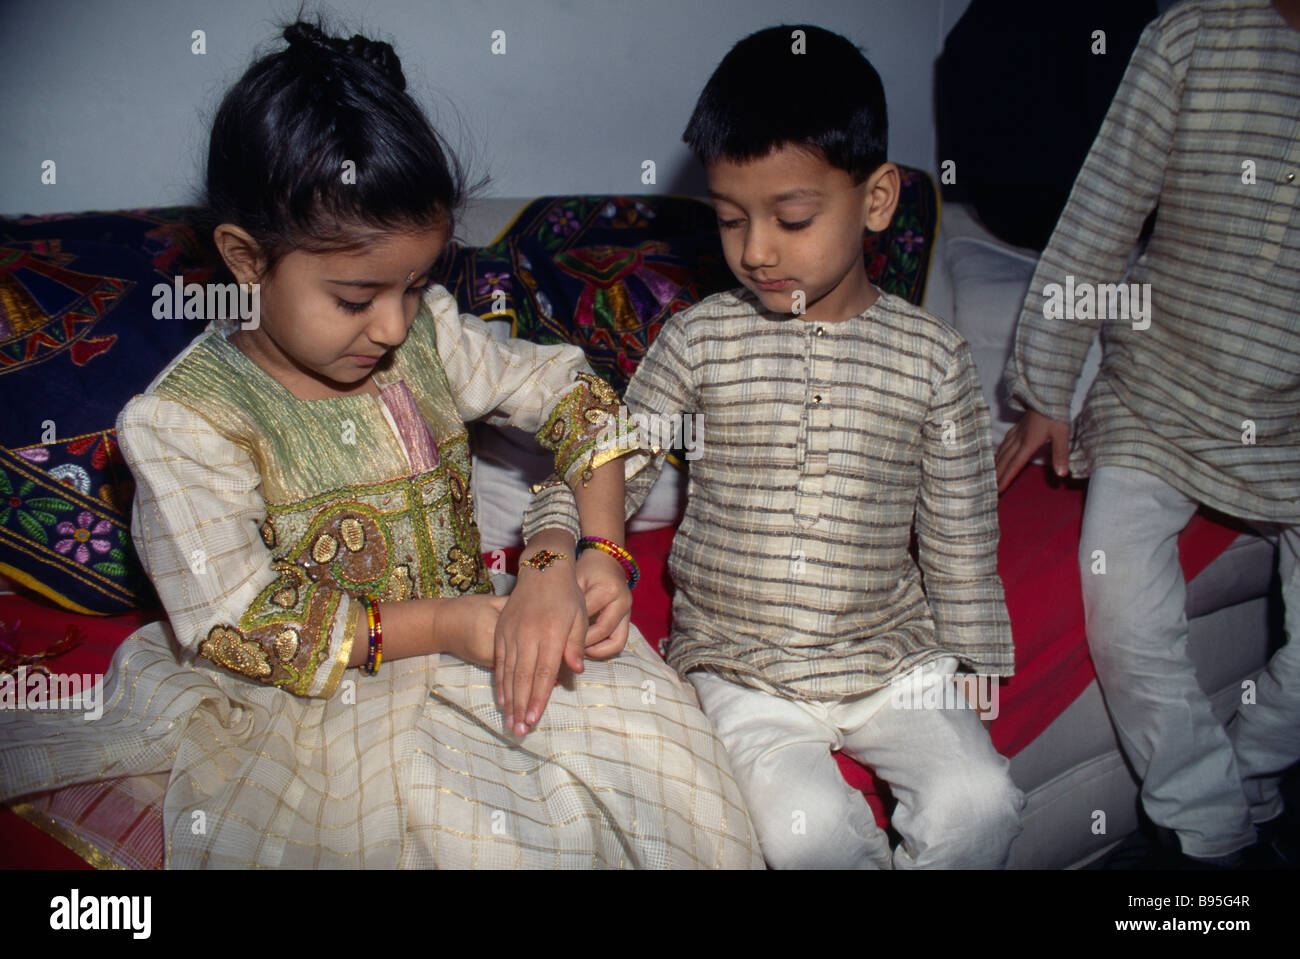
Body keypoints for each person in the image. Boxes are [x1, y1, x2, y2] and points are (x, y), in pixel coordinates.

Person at [0, 20, 762, 869]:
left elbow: (575, 397)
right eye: (358, 296)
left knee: (680, 774)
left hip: (488, 620)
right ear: (247, 260)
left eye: (415, 282)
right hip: (323, 698)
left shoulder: (426, 337)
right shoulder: (187, 423)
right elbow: (244, 622)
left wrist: (593, 548)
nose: (394, 324)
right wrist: (445, 622)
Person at [545, 25, 1025, 869]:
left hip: (889, 652)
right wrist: (563, 545)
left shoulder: (933, 357)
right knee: (797, 829)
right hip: (740, 661)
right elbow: (611, 456)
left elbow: (959, 534)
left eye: (790, 217)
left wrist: (976, 662)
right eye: (731, 220)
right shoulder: (700, 338)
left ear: (876, 201)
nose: (755, 250)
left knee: (982, 803)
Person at [996, 0, 1299, 868]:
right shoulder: (1192, 35)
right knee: (1123, 601)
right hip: (1157, 389)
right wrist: (1046, 387)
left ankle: (1256, 773)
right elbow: (1101, 213)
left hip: (1294, 418)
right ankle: (1210, 827)